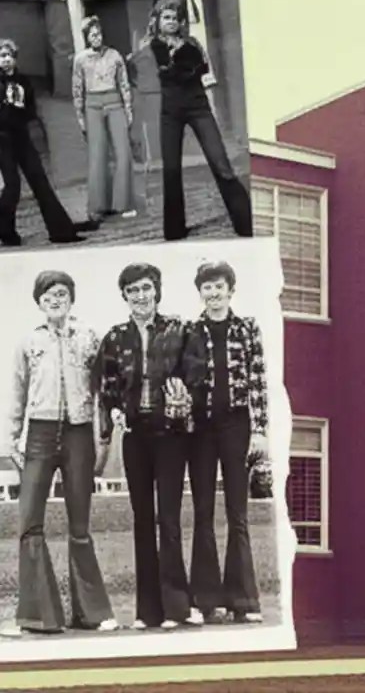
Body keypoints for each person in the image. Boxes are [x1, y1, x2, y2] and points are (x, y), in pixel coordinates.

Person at [0, 272, 117, 637]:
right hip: (39, 434)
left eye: (62, 293)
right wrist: (10, 440)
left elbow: (104, 391)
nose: (55, 299)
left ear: (71, 298)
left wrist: (104, 438)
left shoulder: (90, 338)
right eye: (48, 294)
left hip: (79, 434)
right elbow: (17, 393)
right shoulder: (28, 342)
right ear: (39, 301)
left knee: (80, 524)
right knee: (30, 521)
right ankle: (38, 617)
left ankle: (91, 614)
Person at [96, 263, 202, 630]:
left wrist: (184, 398)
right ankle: (148, 612)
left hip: (170, 433)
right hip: (135, 436)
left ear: (156, 290)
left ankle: (177, 608)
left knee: (168, 519)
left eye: (145, 288)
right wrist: (114, 409)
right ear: (124, 296)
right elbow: (107, 383)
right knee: (142, 520)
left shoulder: (180, 329)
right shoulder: (115, 337)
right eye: (132, 290)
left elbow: (195, 374)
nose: (140, 296)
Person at [183, 261, 268, 625]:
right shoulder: (190, 331)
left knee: (238, 513)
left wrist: (260, 430)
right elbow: (183, 380)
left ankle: (243, 600)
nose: (214, 293)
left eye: (219, 286)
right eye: (207, 287)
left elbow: (258, 380)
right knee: (203, 512)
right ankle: (206, 600)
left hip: (237, 425)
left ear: (230, 290)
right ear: (200, 292)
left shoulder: (247, 328)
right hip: (201, 429)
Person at [142, 0, 251, 240]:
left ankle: (245, 222)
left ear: (180, 21)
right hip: (170, 112)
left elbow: (201, 69)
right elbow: (168, 70)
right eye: (166, 17)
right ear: (157, 20)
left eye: (175, 17)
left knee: (221, 164)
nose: (171, 21)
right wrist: (183, 63)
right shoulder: (153, 47)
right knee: (171, 171)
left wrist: (184, 58)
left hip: (198, 107)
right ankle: (174, 231)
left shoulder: (191, 43)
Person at [0, 39, 93, 246]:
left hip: (21, 136)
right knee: (12, 186)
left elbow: (31, 109)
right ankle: (6, 231)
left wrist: (21, 111)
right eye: (1, 56)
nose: (5, 60)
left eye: (8, 56)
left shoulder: (23, 81)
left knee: (40, 182)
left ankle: (61, 231)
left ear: (15, 59)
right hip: (2, 139)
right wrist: (7, 105)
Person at [72, 16, 136, 221]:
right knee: (97, 155)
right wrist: (80, 117)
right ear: (86, 37)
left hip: (114, 101)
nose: (96, 38)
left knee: (123, 152)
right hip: (92, 105)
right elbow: (77, 89)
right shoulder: (80, 59)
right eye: (92, 35)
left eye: (98, 34)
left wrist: (128, 110)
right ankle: (97, 207)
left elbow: (124, 84)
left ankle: (123, 204)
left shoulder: (115, 55)